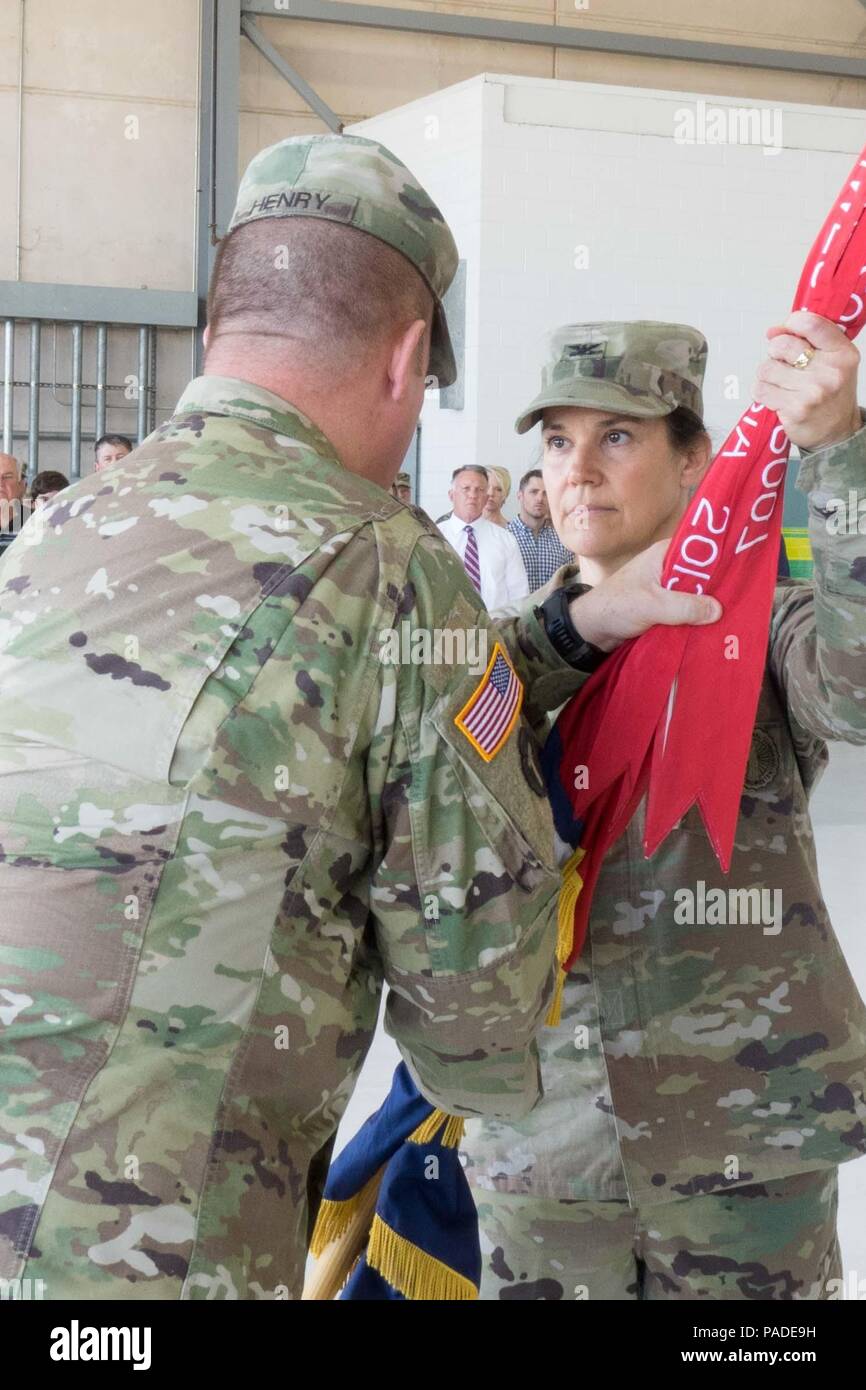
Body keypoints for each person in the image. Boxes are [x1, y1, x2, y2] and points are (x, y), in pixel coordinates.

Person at [0, 145, 717, 1302]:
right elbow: (474, 1014)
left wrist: (560, 632)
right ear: (402, 358)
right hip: (149, 1244)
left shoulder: (54, 532)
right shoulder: (385, 564)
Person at [461, 317, 866, 1301]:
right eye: (557, 439)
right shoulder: (504, 646)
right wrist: (582, 626)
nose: (577, 470)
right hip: (543, 1148)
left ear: (695, 462)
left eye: (618, 436)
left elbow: (854, 691)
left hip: (741, 1146)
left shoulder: (759, 615)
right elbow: (417, 746)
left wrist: (837, 454)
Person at [438, 465, 529, 609]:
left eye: (479, 490)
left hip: (495, 627)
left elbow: (519, 596)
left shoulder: (506, 540)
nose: (473, 495)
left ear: (486, 498)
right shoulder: (434, 537)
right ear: (451, 495)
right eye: (466, 488)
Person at [508, 467, 575, 589]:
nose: (540, 498)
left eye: (546, 493)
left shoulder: (562, 540)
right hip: (516, 608)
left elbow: (569, 584)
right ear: (520, 496)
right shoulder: (505, 537)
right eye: (534, 492)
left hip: (553, 608)